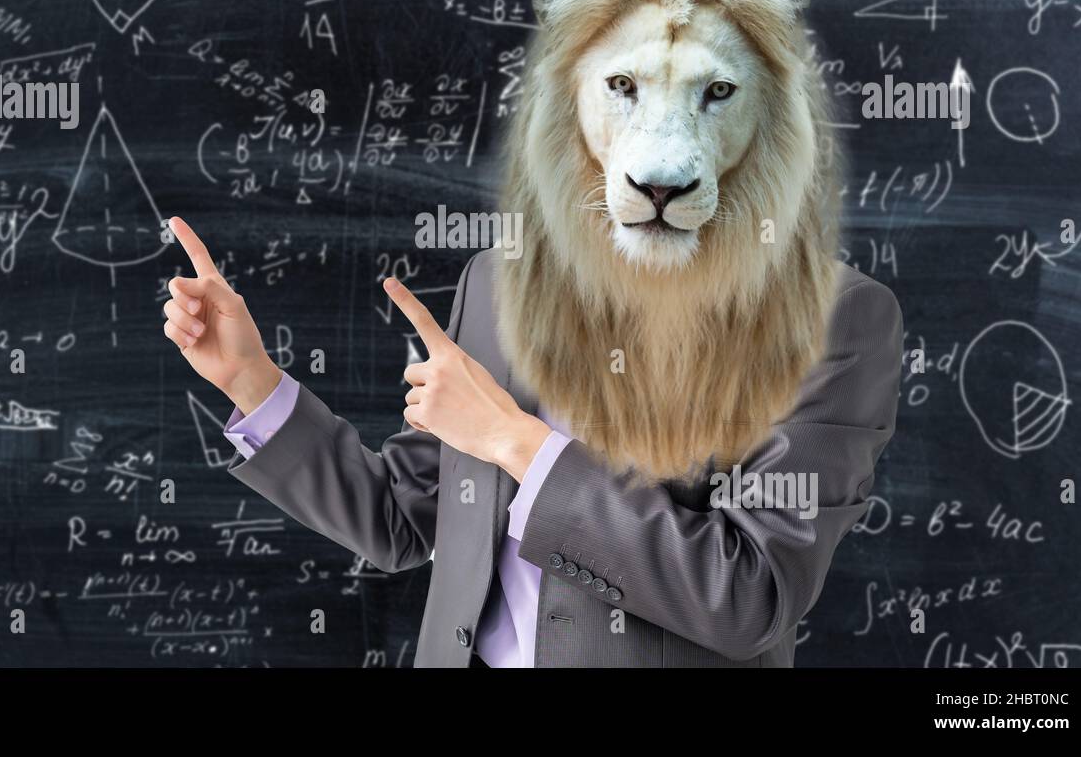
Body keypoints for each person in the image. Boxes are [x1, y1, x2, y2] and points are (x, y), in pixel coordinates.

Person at [161, 214, 902, 668]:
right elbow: (401, 517)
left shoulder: (827, 318)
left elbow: (748, 597)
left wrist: (519, 444)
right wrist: (251, 381)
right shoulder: (499, 281)